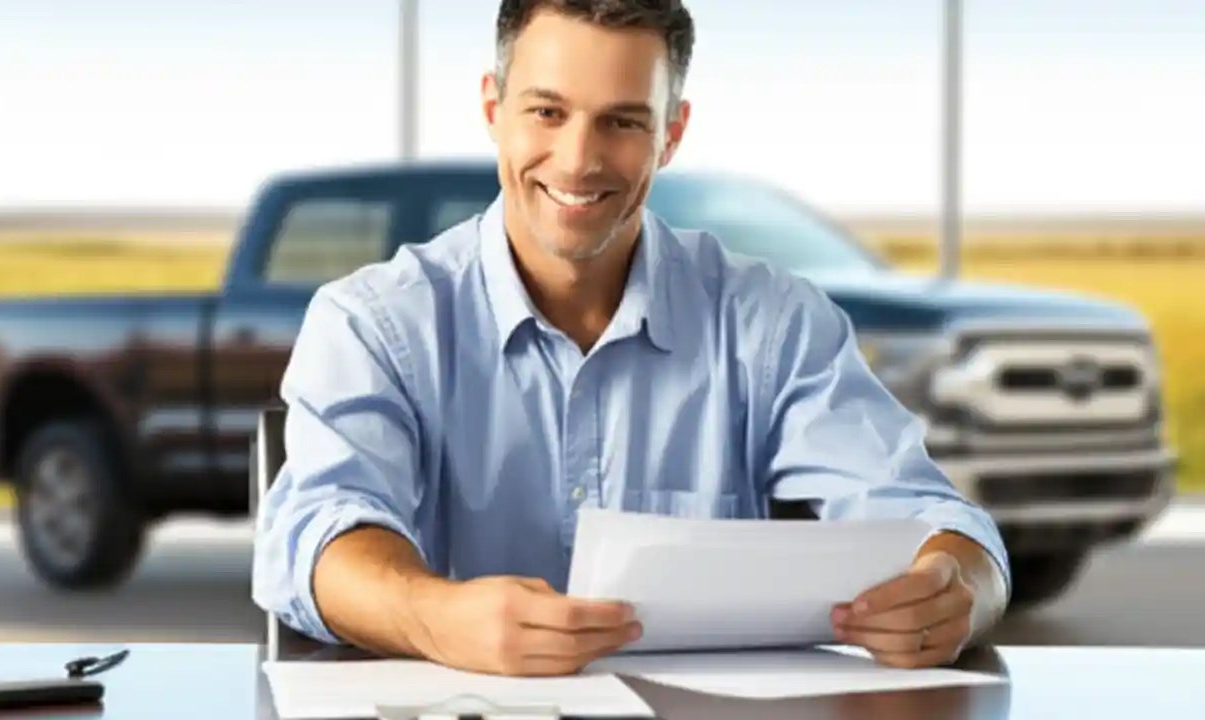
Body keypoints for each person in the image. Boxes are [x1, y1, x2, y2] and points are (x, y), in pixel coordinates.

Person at [253, 0, 1010, 677]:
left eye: (621, 121)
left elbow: (927, 518)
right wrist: (436, 617)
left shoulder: (771, 323)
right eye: (547, 113)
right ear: (494, 108)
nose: (579, 160)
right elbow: (316, 536)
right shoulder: (371, 322)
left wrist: (958, 588)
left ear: (671, 133)